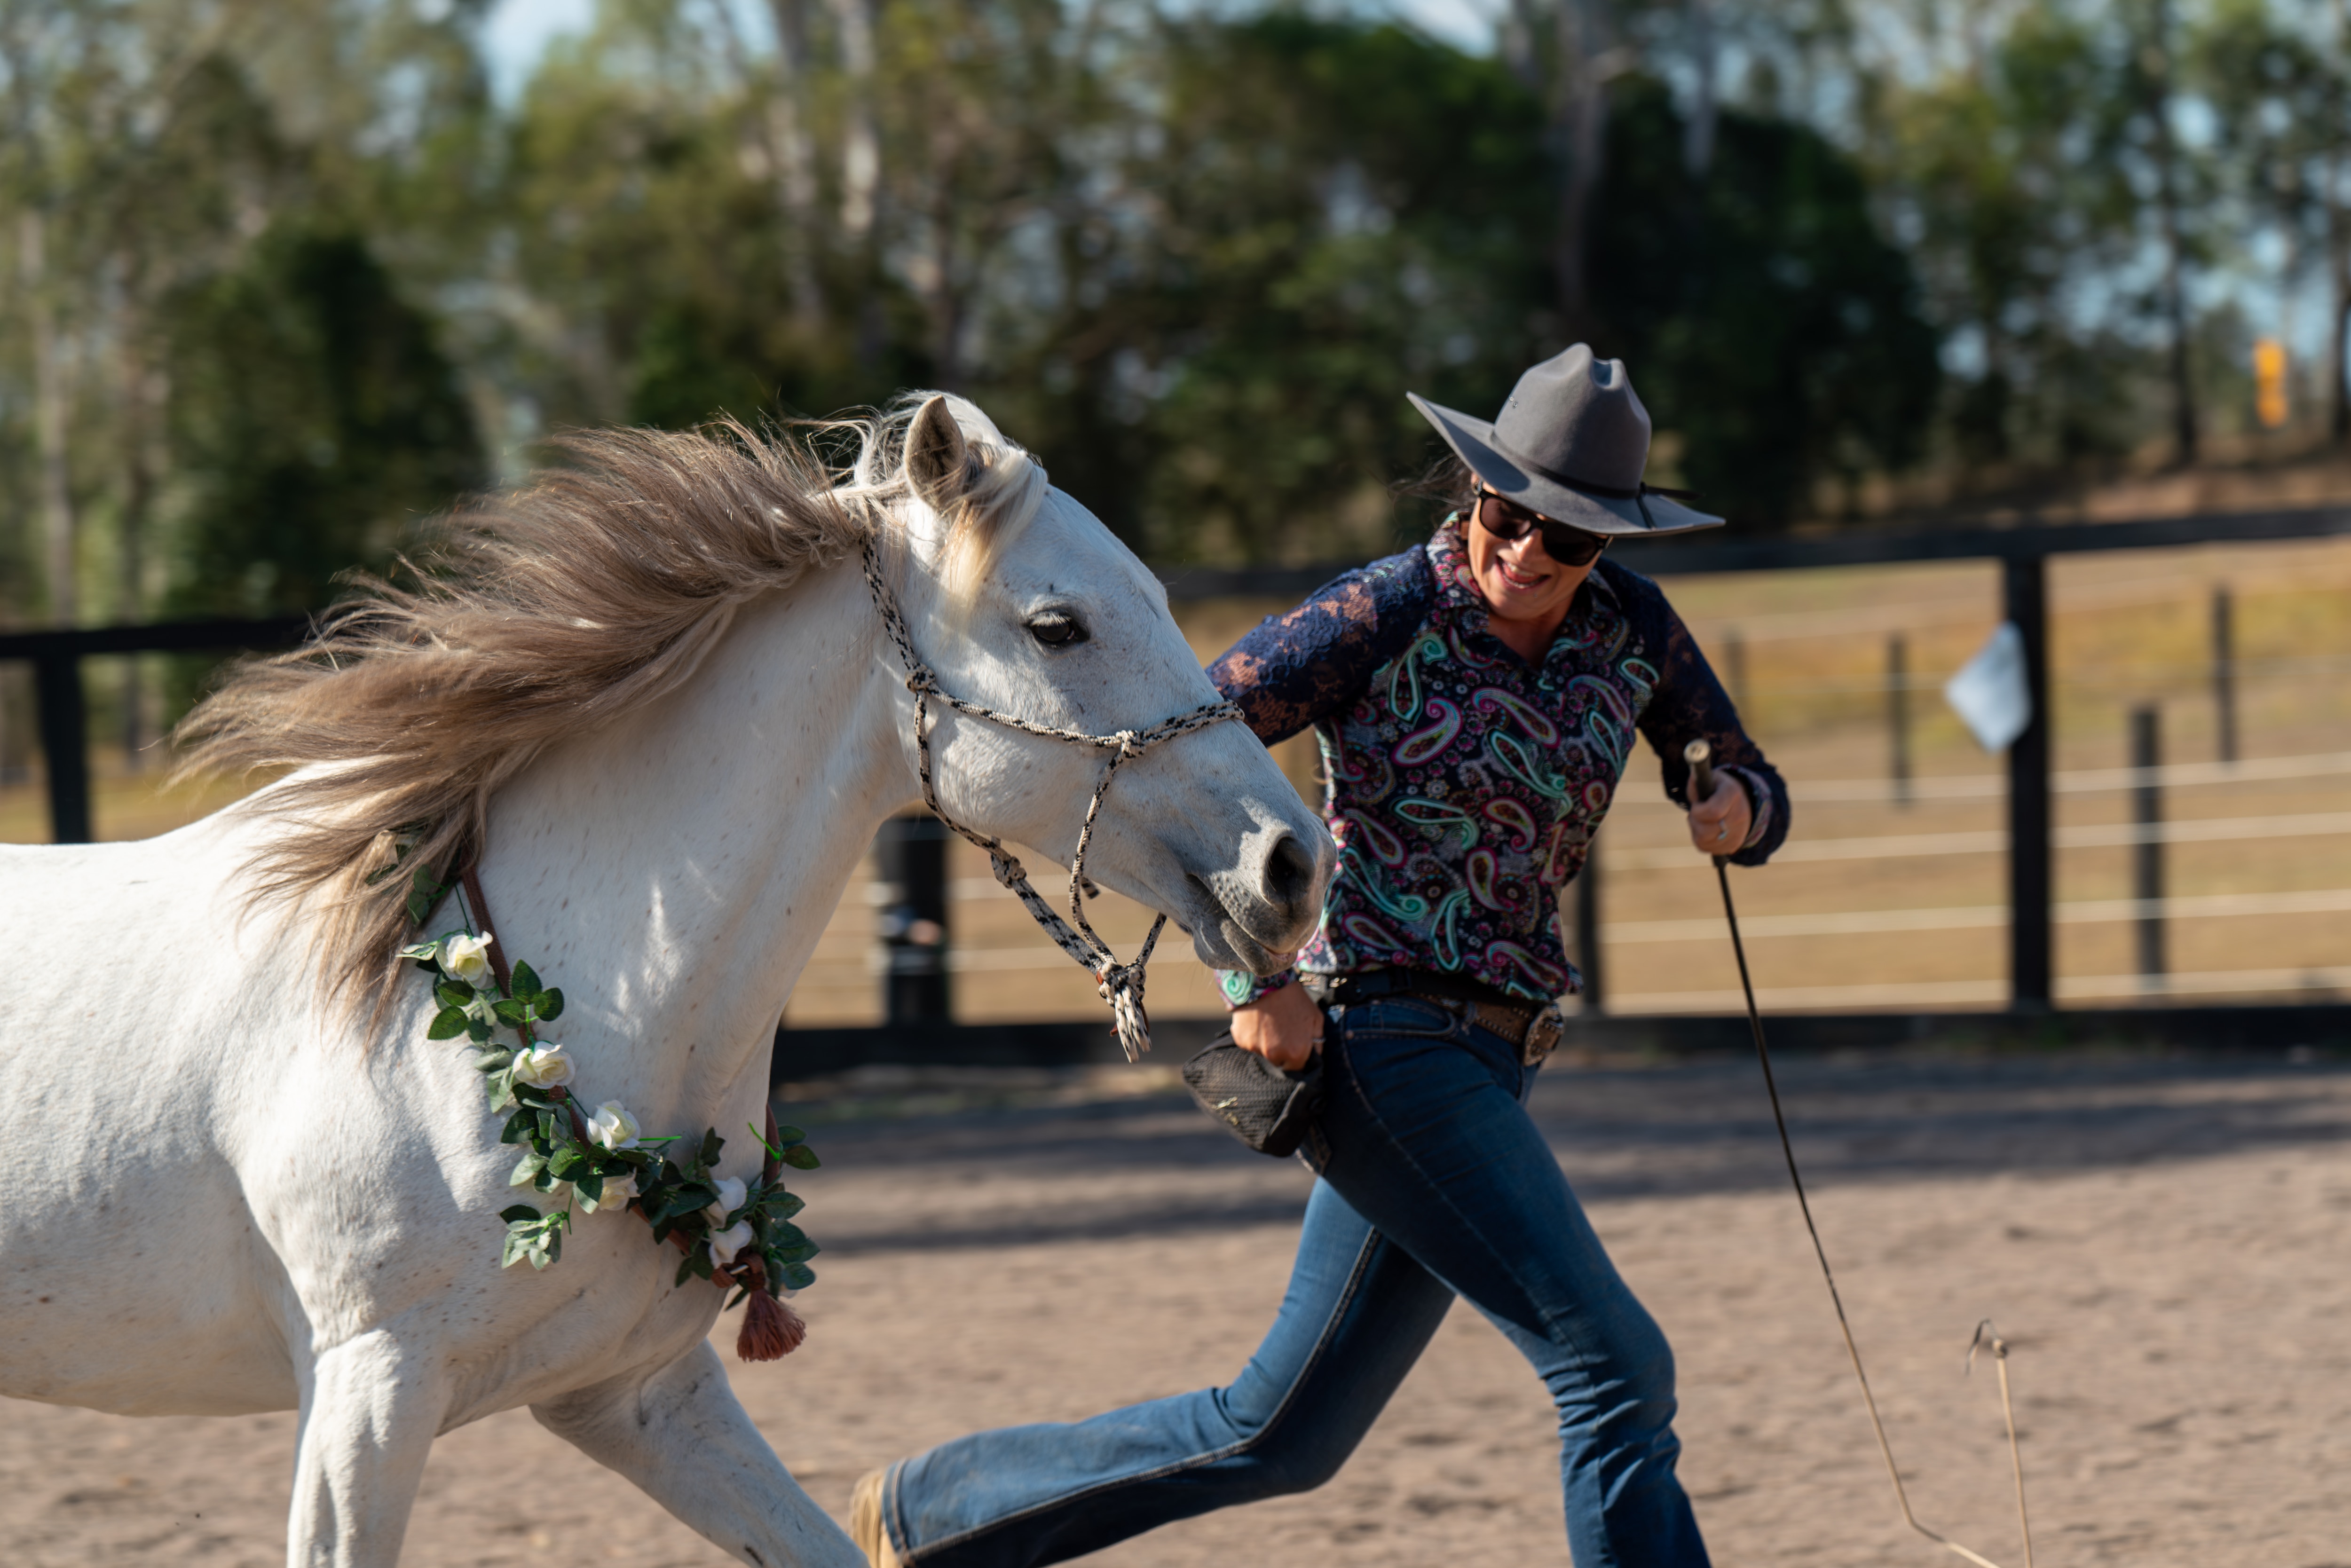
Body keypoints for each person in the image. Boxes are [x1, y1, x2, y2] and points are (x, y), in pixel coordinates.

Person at [848, 345, 1790, 1568]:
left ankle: (937, 1512)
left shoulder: (1631, 632)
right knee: (1616, 1370)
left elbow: (1745, 775)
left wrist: (1737, 813)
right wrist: (1258, 979)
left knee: (1283, 1433)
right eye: (1509, 514)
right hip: (1388, 1040)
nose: (1529, 552)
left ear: (1609, 544)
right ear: (1473, 489)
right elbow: (1189, 760)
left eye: (1570, 538)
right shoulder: (1387, 607)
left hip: (1500, 1060)